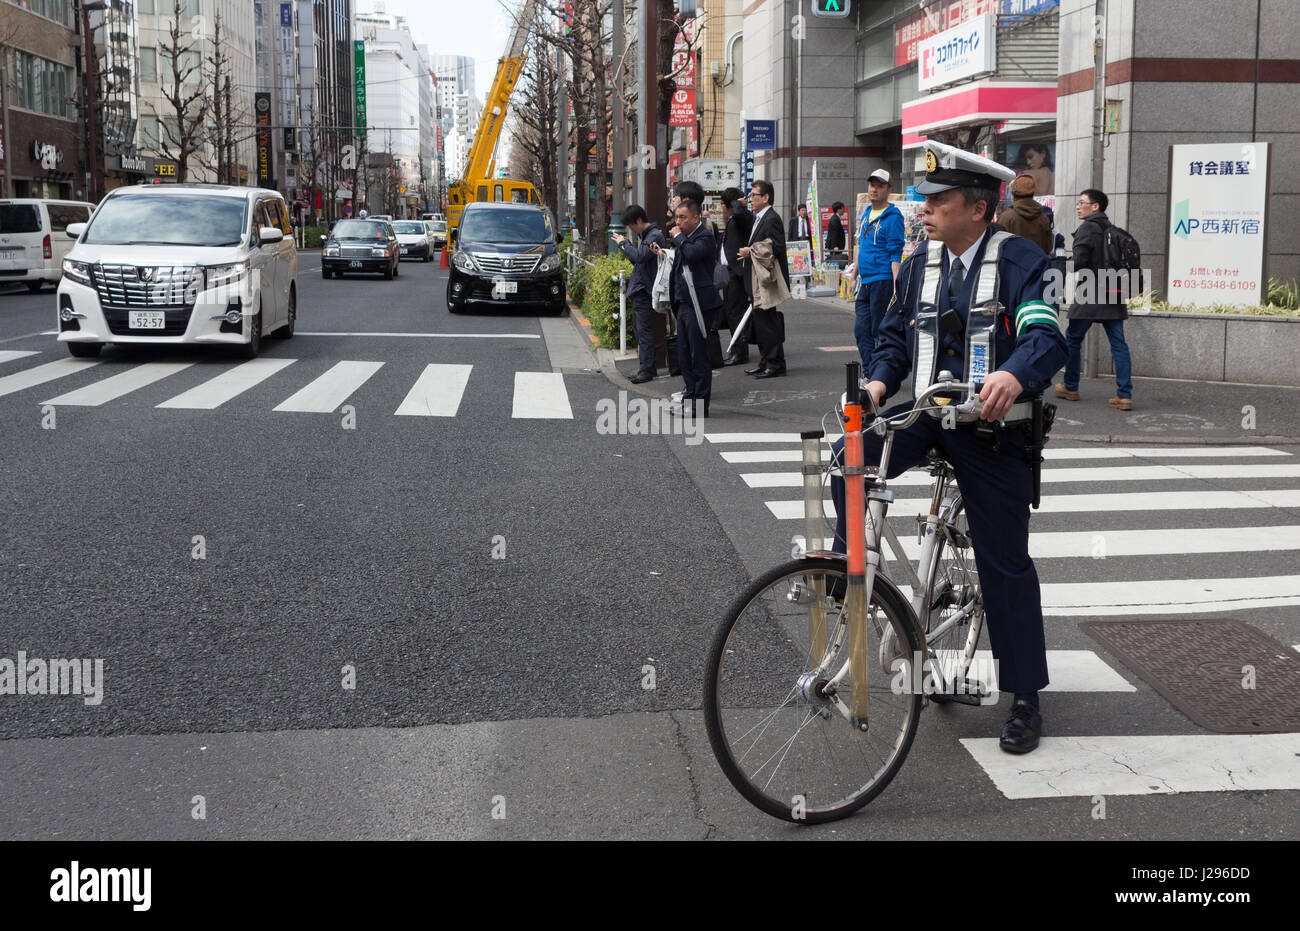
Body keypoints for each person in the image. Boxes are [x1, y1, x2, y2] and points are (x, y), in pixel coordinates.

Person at [829, 139, 1067, 755]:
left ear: (979, 209)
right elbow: (893, 342)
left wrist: (1015, 372)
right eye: (924, 200)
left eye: (938, 200)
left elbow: (1046, 336)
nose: (925, 210)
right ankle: (848, 572)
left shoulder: (1022, 262)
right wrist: (880, 380)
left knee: (1004, 561)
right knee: (846, 457)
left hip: (993, 429)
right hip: (933, 413)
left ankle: (1024, 698)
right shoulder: (916, 266)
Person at [1054, 188, 1134, 410]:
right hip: (1113, 290)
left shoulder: (1087, 228)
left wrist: (1059, 264)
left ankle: (1071, 386)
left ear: (1095, 206)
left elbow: (1079, 262)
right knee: (1118, 343)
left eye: (1082, 203)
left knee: (1072, 339)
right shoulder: (1112, 229)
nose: (1078, 206)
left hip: (1090, 291)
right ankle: (1124, 394)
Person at [651, 198, 722, 417]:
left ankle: (700, 406)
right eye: (676, 217)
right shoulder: (686, 239)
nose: (677, 221)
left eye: (682, 217)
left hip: (699, 304)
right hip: (682, 302)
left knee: (698, 355)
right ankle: (690, 398)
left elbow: (692, 254)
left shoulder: (704, 237)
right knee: (684, 355)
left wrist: (679, 238)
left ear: (695, 217)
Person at [848, 168, 904, 374]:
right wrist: (854, 276)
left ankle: (881, 372)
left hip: (883, 279)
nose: (874, 189)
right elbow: (861, 246)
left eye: (880, 186)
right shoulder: (866, 212)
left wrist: (896, 284)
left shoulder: (893, 217)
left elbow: (895, 252)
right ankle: (871, 370)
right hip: (865, 279)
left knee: (878, 330)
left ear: (889, 189)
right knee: (861, 329)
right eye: (872, 185)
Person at [737, 180, 789, 378]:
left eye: (754, 196)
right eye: (750, 196)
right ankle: (766, 360)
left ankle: (775, 363)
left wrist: (750, 251)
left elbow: (777, 246)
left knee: (767, 322)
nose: (750, 199)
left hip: (766, 279)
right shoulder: (759, 218)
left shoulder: (771, 218)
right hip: (756, 278)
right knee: (761, 322)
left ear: (766, 198)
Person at [612, 204, 667, 385]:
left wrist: (624, 244)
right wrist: (626, 246)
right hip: (641, 288)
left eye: (631, 226)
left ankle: (646, 370)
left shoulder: (654, 235)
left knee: (643, 331)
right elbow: (637, 258)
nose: (631, 230)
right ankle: (647, 368)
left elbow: (640, 257)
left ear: (638, 221)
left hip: (644, 289)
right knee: (640, 330)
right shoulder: (647, 235)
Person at [718, 187, 754, 366]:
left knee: (736, 313)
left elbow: (741, 215)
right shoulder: (732, 220)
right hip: (729, 272)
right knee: (731, 312)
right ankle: (737, 349)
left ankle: (739, 352)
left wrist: (737, 203)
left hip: (737, 273)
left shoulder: (741, 218)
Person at [996, 173, 1053, 254]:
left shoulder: (1005, 218)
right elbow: (1048, 248)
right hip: (1038, 265)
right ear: (1033, 193)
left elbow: (996, 248)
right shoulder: (1044, 219)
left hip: (1011, 266)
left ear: (1013, 194)